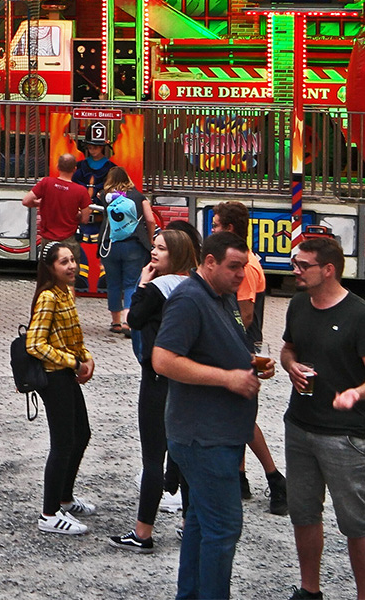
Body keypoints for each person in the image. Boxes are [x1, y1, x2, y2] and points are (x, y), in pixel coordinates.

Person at [153, 230, 270, 599]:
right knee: (223, 527)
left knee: (203, 523)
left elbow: (216, 348)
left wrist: (250, 364)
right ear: (209, 262)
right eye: (234, 267)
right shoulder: (189, 299)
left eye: (244, 267)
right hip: (203, 436)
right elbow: (164, 360)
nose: (241, 275)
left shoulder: (222, 295)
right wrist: (228, 378)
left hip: (220, 433)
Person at [282, 234, 365, 600]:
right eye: (294, 263)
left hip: (344, 435)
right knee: (303, 512)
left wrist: (356, 393)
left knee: (356, 523)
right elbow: (288, 348)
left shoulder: (359, 313)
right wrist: (290, 366)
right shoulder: (298, 304)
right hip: (299, 425)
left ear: (328, 269)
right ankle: (309, 589)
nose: (295, 270)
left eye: (303, 265)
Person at [112, 227, 199, 552]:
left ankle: (143, 532)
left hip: (157, 379)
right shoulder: (194, 287)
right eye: (155, 246)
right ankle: (189, 522)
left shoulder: (157, 288)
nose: (153, 252)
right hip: (185, 379)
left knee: (153, 458)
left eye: (161, 249)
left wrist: (144, 282)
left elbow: (134, 319)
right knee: (184, 456)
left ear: (174, 255)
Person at [210, 200, 288, 516]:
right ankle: (240, 478)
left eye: (215, 225)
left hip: (240, 350)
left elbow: (243, 314)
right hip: (239, 348)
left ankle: (275, 479)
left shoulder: (247, 267)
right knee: (237, 416)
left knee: (242, 420)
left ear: (229, 228)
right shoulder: (244, 261)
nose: (212, 230)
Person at [26, 240, 97, 534]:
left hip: (67, 374)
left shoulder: (66, 293)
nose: (71, 266)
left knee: (81, 434)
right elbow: (34, 343)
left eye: (72, 260)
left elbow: (73, 336)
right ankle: (49, 514)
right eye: (64, 262)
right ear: (50, 268)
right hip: (54, 378)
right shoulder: (48, 298)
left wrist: (87, 359)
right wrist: (71, 362)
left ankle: (65, 499)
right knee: (63, 443)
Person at [98, 165, 155, 338]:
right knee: (131, 283)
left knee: (113, 283)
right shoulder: (139, 197)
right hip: (134, 245)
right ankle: (127, 322)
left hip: (110, 245)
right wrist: (150, 239)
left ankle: (115, 322)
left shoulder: (104, 197)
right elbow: (150, 219)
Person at [23, 153, 92, 247]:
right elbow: (85, 219)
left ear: (57, 167)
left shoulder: (46, 183)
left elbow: (26, 201)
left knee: (47, 261)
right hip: (68, 241)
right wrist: (77, 214)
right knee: (68, 261)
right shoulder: (81, 191)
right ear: (74, 169)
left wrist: (39, 203)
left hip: (47, 241)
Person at [72, 134, 113, 201]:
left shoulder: (110, 166)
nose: (92, 151)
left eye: (95, 148)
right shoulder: (81, 164)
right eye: (90, 148)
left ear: (101, 147)